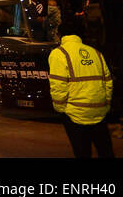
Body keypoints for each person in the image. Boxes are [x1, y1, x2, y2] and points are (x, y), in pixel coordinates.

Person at [48, 19, 114, 158]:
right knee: (106, 152)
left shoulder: (59, 53)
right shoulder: (95, 52)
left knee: (82, 153)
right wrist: (106, 105)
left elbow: (58, 85)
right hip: (100, 112)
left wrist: (61, 109)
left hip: (75, 115)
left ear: (60, 35)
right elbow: (108, 82)